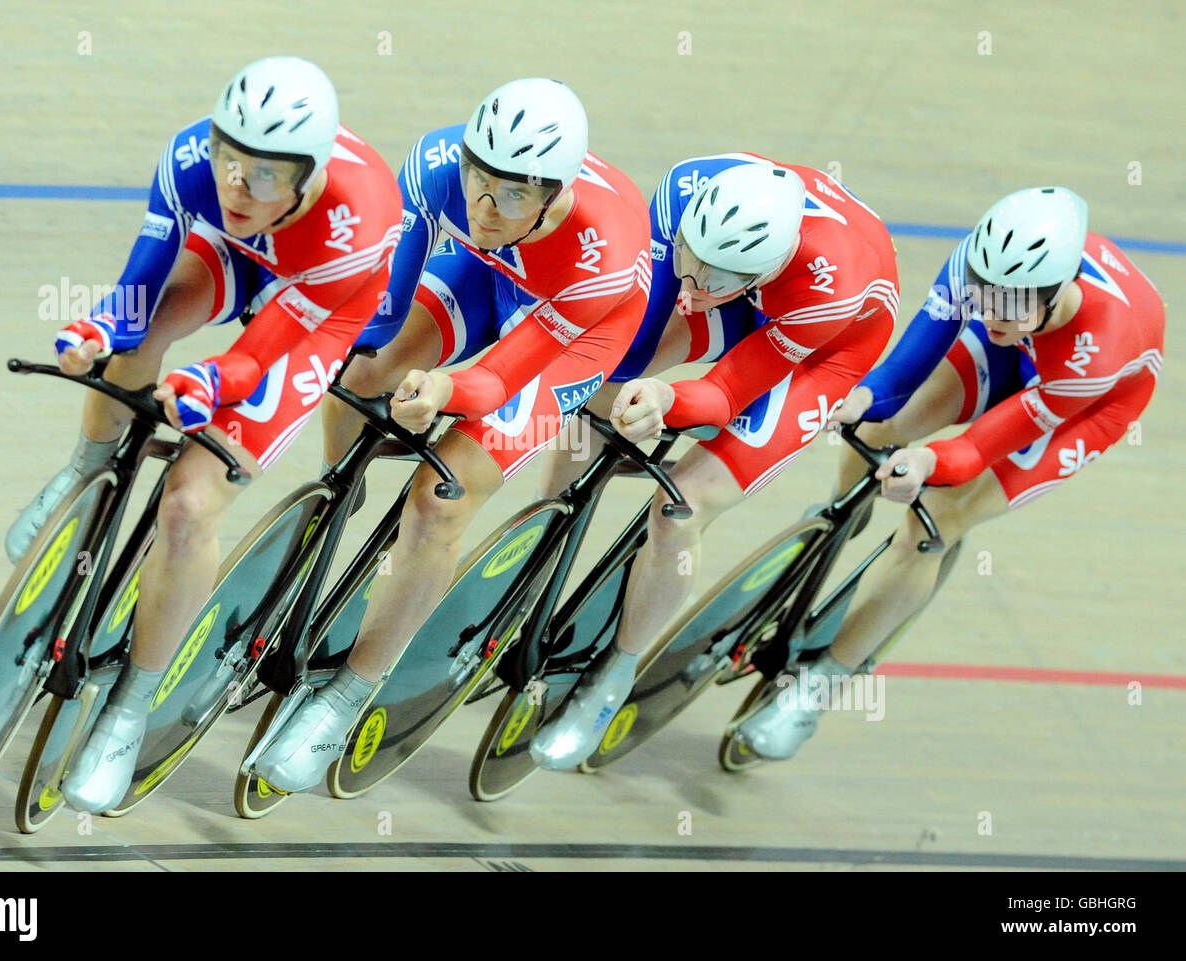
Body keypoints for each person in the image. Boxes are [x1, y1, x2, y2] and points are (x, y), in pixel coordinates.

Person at [248, 78, 653, 793]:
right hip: (486, 272)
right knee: (363, 370)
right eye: (478, 180)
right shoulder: (438, 168)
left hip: (573, 331)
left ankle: (348, 694)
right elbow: (381, 310)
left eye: (512, 195)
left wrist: (443, 389)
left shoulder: (605, 253)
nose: (483, 206)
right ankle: (336, 504)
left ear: (555, 196)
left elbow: (500, 379)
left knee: (442, 495)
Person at [44, 57, 403, 812]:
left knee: (189, 501)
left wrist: (207, 386)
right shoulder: (192, 162)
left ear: (308, 177)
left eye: (266, 174)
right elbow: (138, 286)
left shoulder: (357, 218)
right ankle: (86, 475)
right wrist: (95, 327)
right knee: (129, 349)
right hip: (245, 257)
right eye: (230, 160)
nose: (238, 186)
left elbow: (257, 355)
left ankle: (129, 708)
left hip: (317, 306)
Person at [733, 186, 1165, 759]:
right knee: (878, 426)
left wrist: (928, 462)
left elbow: (981, 447)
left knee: (934, 519)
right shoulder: (979, 270)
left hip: (1081, 406)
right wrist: (863, 398)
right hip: (1018, 352)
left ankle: (818, 686)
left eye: (1007, 305)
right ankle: (841, 517)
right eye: (983, 299)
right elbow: (909, 364)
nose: (988, 315)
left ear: (1058, 291)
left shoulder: (1100, 345)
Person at [529, 154, 901, 769]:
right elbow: (648, 302)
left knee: (682, 505)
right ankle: (544, 547)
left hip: (824, 345)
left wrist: (669, 400)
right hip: (746, 279)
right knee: (609, 375)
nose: (693, 287)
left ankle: (613, 676)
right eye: (689, 264)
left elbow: (729, 390)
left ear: (767, 264)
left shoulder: (831, 284)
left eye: (713, 279)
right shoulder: (683, 188)